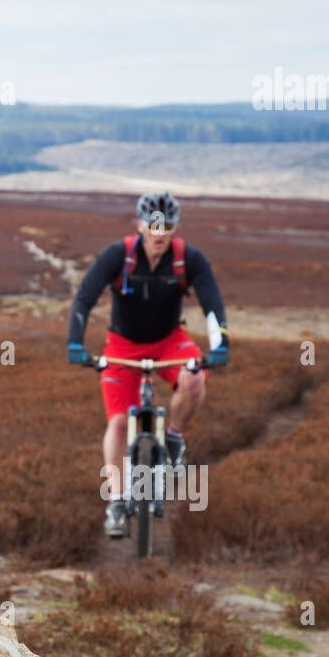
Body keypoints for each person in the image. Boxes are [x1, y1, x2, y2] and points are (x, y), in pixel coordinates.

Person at [66, 191, 229, 538]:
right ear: (140, 226)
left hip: (170, 340)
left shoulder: (188, 259)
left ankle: (174, 437)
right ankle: (117, 499)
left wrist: (221, 344)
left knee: (195, 378)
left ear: (174, 228)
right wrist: (75, 342)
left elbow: (213, 304)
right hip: (122, 345)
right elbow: (84, 297)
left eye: (167, 226)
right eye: (153, 226)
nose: (159, 233)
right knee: (120, 423)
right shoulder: (118, 255)